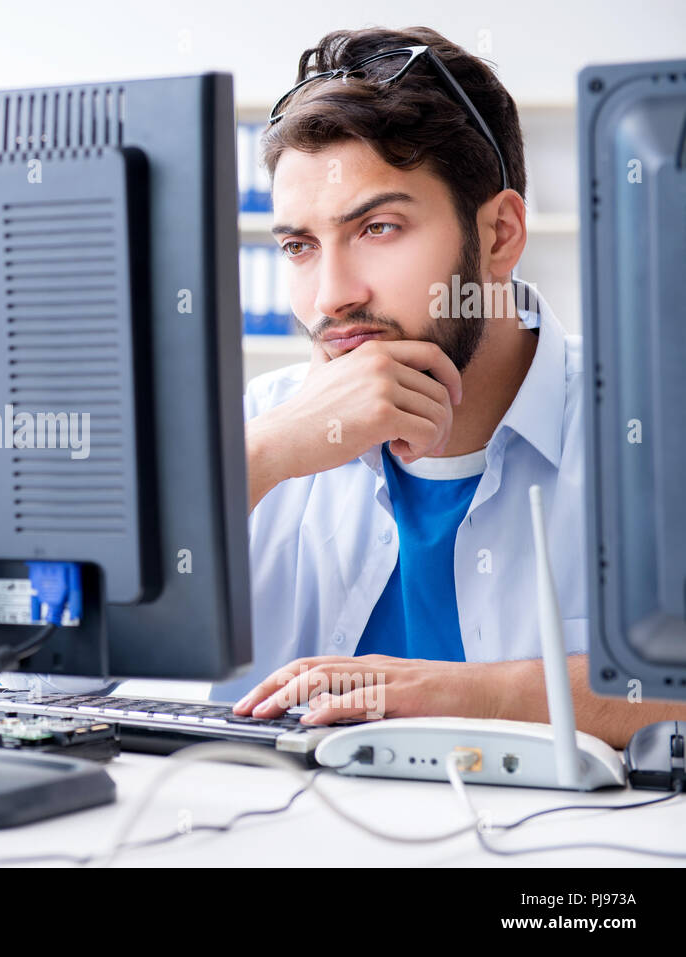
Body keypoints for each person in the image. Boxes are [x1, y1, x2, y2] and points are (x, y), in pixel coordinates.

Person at [215, 25, 686, 749]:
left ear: (499, 235)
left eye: (378, 227)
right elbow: (46, 664)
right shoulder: (256, 430)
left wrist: (470, 695)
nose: (330, 298)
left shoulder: (650, 421)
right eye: (299, 247)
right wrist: (263, 453)